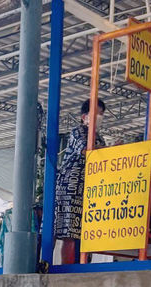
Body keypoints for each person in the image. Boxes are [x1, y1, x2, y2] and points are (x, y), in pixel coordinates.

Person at [54, 98, 106, 265]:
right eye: (95, 114)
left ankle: (81, 266)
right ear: (85, 117)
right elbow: (86, 150)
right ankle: (64, 269)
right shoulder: (78, 131)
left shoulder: (100, 138)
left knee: (84, 232)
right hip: (70, 187)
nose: (99, 117)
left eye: (101, 114)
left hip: (88, 189)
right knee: (68, 231)